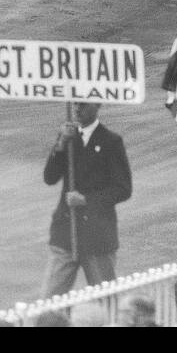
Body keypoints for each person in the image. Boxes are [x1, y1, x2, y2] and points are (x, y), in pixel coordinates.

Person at [40, 101, 133, 298]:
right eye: (75, 104)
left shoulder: (111, 141)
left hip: (97, 236)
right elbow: (49, 178)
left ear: (97, 105)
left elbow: (123, 189)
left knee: (106, 302)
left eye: (83, 104)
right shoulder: (67, 138)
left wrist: (87, 200)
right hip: (65, 232)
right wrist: (60, 145)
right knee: (49, 302)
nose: (77, 109)